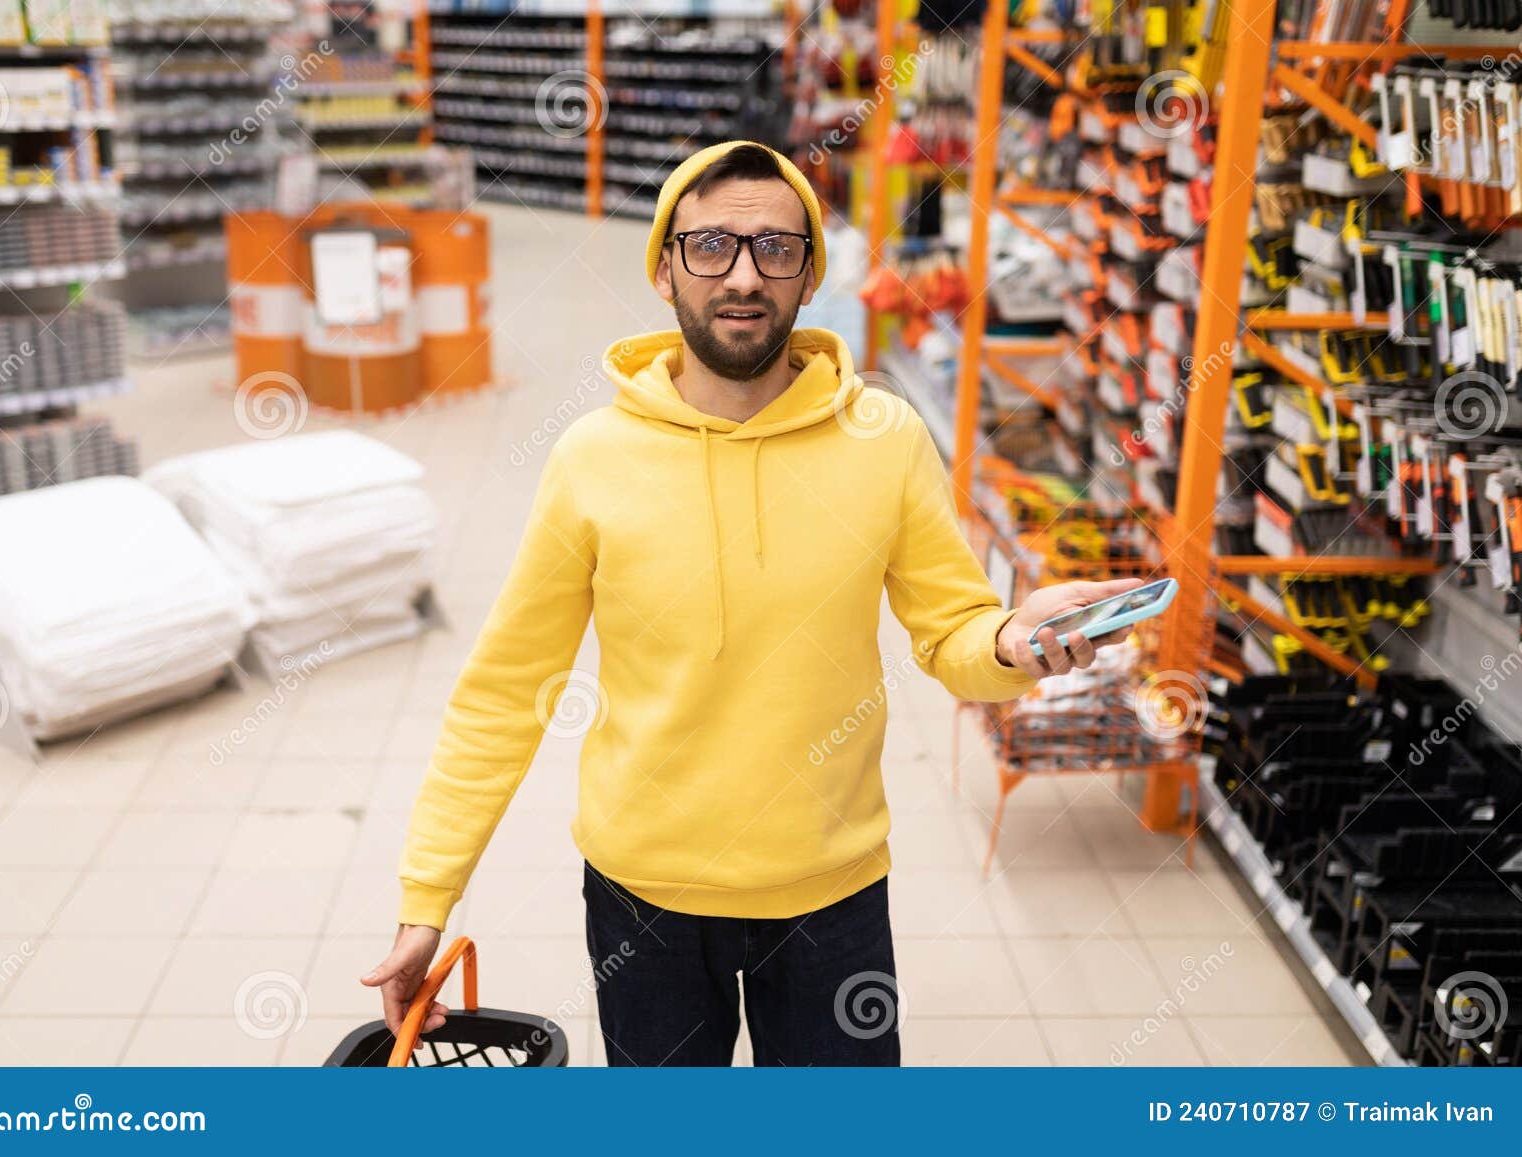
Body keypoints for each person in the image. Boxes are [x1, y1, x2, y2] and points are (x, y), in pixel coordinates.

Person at [362, 141, 1139, 1066]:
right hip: (643, 898)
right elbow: (504, 689)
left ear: (810, 275)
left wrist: (1013, 639)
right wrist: (426, 898)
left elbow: (953, 634)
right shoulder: (592, 458)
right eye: (711, 247)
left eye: (776, 249)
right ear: (662, 268)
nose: (742, 275)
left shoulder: (884, 438)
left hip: (832, 894)